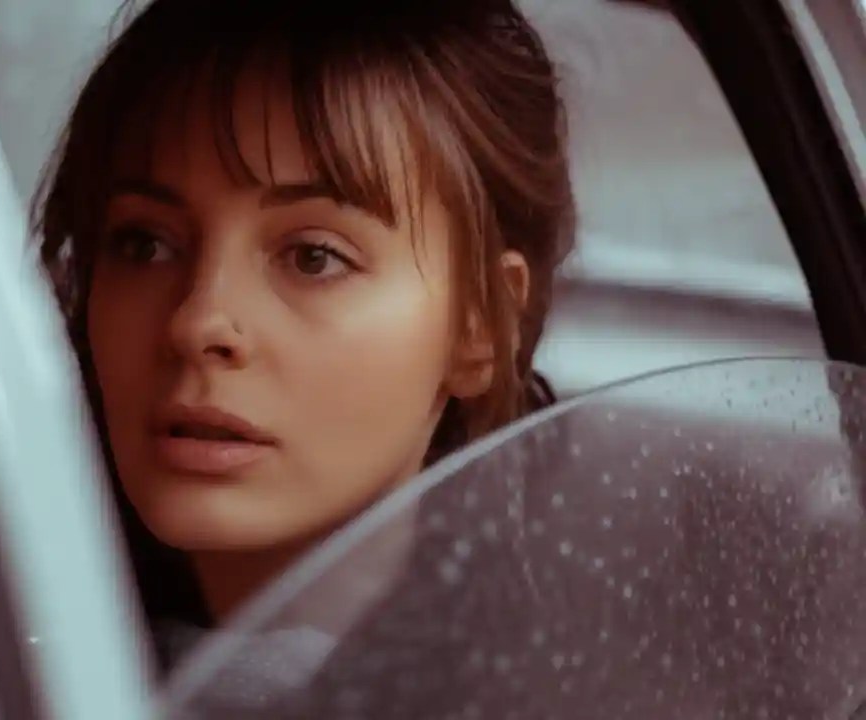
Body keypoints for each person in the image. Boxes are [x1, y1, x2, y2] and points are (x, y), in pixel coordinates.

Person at [32, 0, 575, 672]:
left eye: (313, 257)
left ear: (481, 329)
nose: (197, 321)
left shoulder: (596, 686)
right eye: (144, 245)